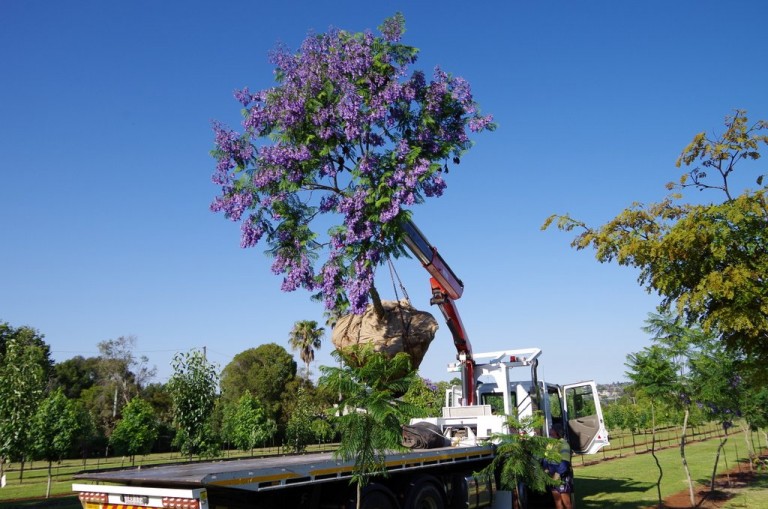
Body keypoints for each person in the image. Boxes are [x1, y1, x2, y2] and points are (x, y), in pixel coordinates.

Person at [542, 427, 573, 509]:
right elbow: (546, 458)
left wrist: (557, 474)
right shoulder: (550, 444)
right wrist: (546, 470)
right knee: (557, 502)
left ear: (557, 432)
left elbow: (565, 462)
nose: (550, 433)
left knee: (566, 502)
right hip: (552, 477)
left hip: (562, 476)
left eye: (551, 431)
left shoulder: (564, 444)